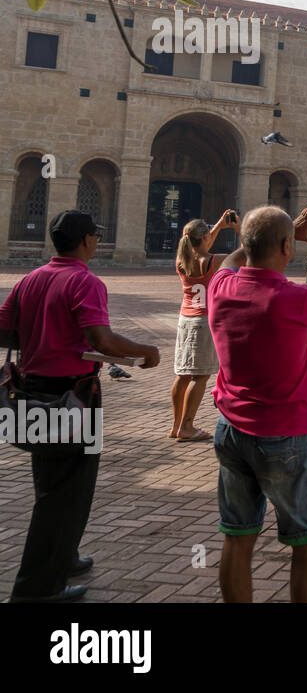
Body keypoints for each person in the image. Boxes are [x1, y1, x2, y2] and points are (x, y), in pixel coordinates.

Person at [0, 210, 161, 603]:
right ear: (87, 240)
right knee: (67, 492)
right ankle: (37, 589)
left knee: (51, 482)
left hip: (34, 390)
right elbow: (101, 340)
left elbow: (4, 330)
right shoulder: (85, 281)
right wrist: (146, 351)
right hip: (74, 396)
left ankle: (63, 557)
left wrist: (43, 342)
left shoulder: (31, 279)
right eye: (97, 235)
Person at [208, 204, 307, 602]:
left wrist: (281, 230)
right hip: (285, 437)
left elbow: (229, 260)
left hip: (231, 430)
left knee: (237, 536)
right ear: (287, 248)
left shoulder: (219, 288)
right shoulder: (293, 297)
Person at [171, 211, 238, 442]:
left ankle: (176, 424)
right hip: (204, 321)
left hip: (185, 319)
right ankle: (187, 427)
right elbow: (245, 255)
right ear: (205, 237)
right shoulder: (215, 260)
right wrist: (239, 230)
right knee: (200, 376)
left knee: (182, 375)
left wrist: (218, 224)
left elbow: (201, 242)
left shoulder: (181, 261)